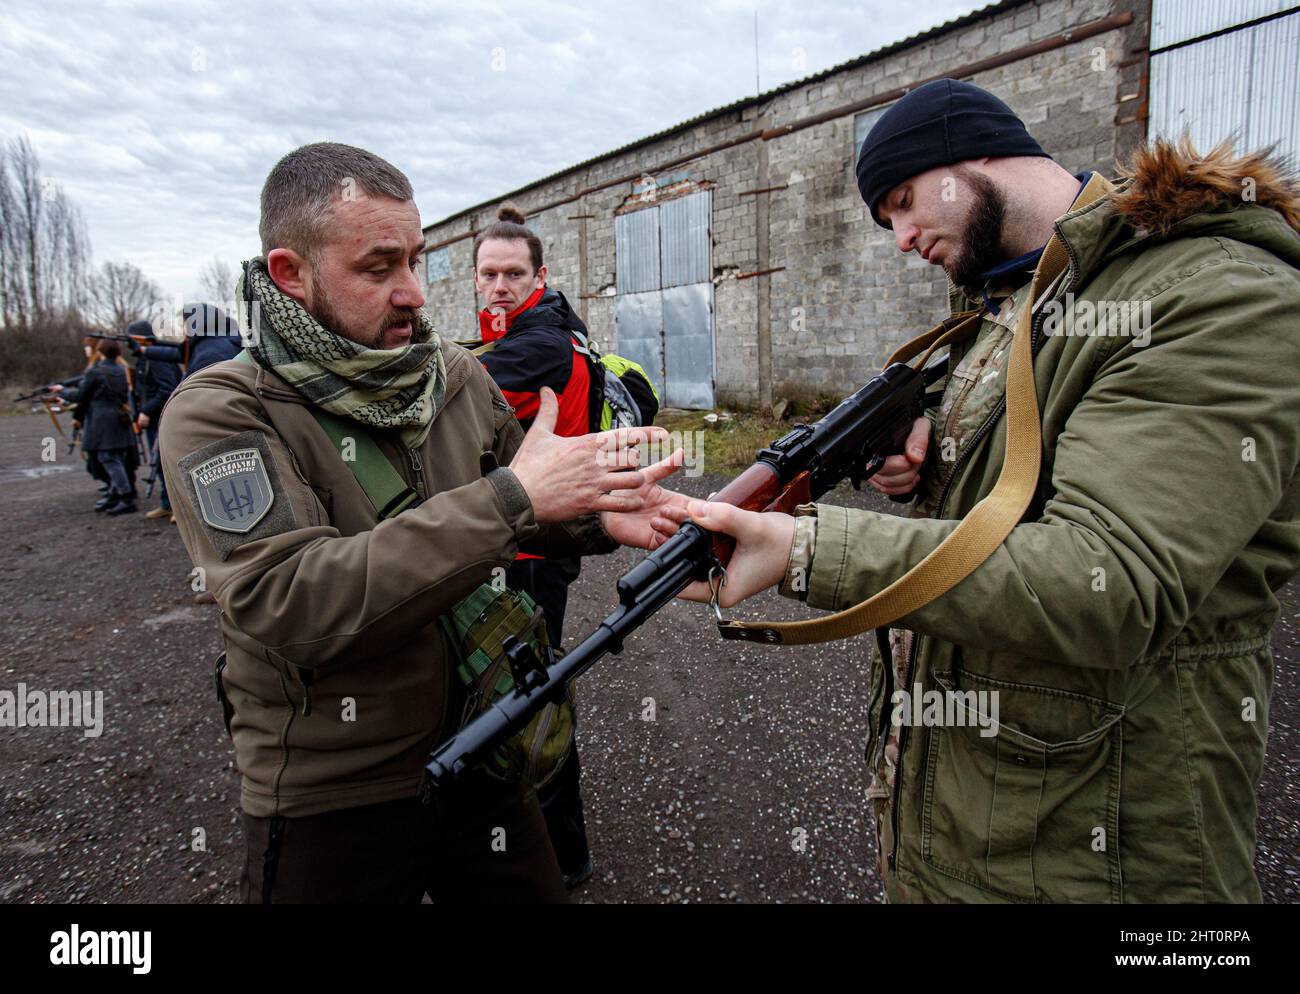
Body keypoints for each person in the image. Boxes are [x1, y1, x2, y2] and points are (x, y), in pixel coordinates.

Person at [650, 79, 1300, 903]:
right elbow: (1008, 490)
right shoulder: (1009, 303)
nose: (901, 236)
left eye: (904, 200)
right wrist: (924, 460)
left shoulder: (1209, 293)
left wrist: (805, 548)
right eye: (887, 221)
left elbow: (1111, 580)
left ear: (976, 150)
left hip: (1111, 848)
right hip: (969, 818)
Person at [159, 142, 687, 903]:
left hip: (486, 741)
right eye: (378, 268)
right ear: (291, 274)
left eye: (417, 259)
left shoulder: (456, 375)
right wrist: (514, 500)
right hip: (336, 793)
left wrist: (608, 512)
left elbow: (531, 506)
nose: (413, 292)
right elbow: (294, 601)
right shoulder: (221, 412)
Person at [473, 202, 597, 887]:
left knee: (526, 702)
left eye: (512, 274)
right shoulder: (552, 332)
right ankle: (552, 848)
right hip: (538, 540)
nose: (498, 286)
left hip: (529, 552)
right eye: (487, 274)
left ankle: (558, 855)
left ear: (540, 276)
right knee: (530, 692)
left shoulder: (538, 344)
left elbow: (443, 390)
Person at [73, 339, 139, 515]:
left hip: (102, 421)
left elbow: (81, 395)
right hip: (119, 418)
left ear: (100, 352)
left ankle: (125, 498)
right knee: (115, 458)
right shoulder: (122, 369)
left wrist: (61, 392)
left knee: (109, 459)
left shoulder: (95, 371)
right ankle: (115, 494)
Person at [125, 319, 182, 520]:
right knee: (158, 464)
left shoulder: (156, 359)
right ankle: (167, 504)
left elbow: (167, 389)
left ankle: (180, 509)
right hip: (154, 418)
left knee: (167, 463)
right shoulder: (147, 358)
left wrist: (147, 411)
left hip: (161, 418)